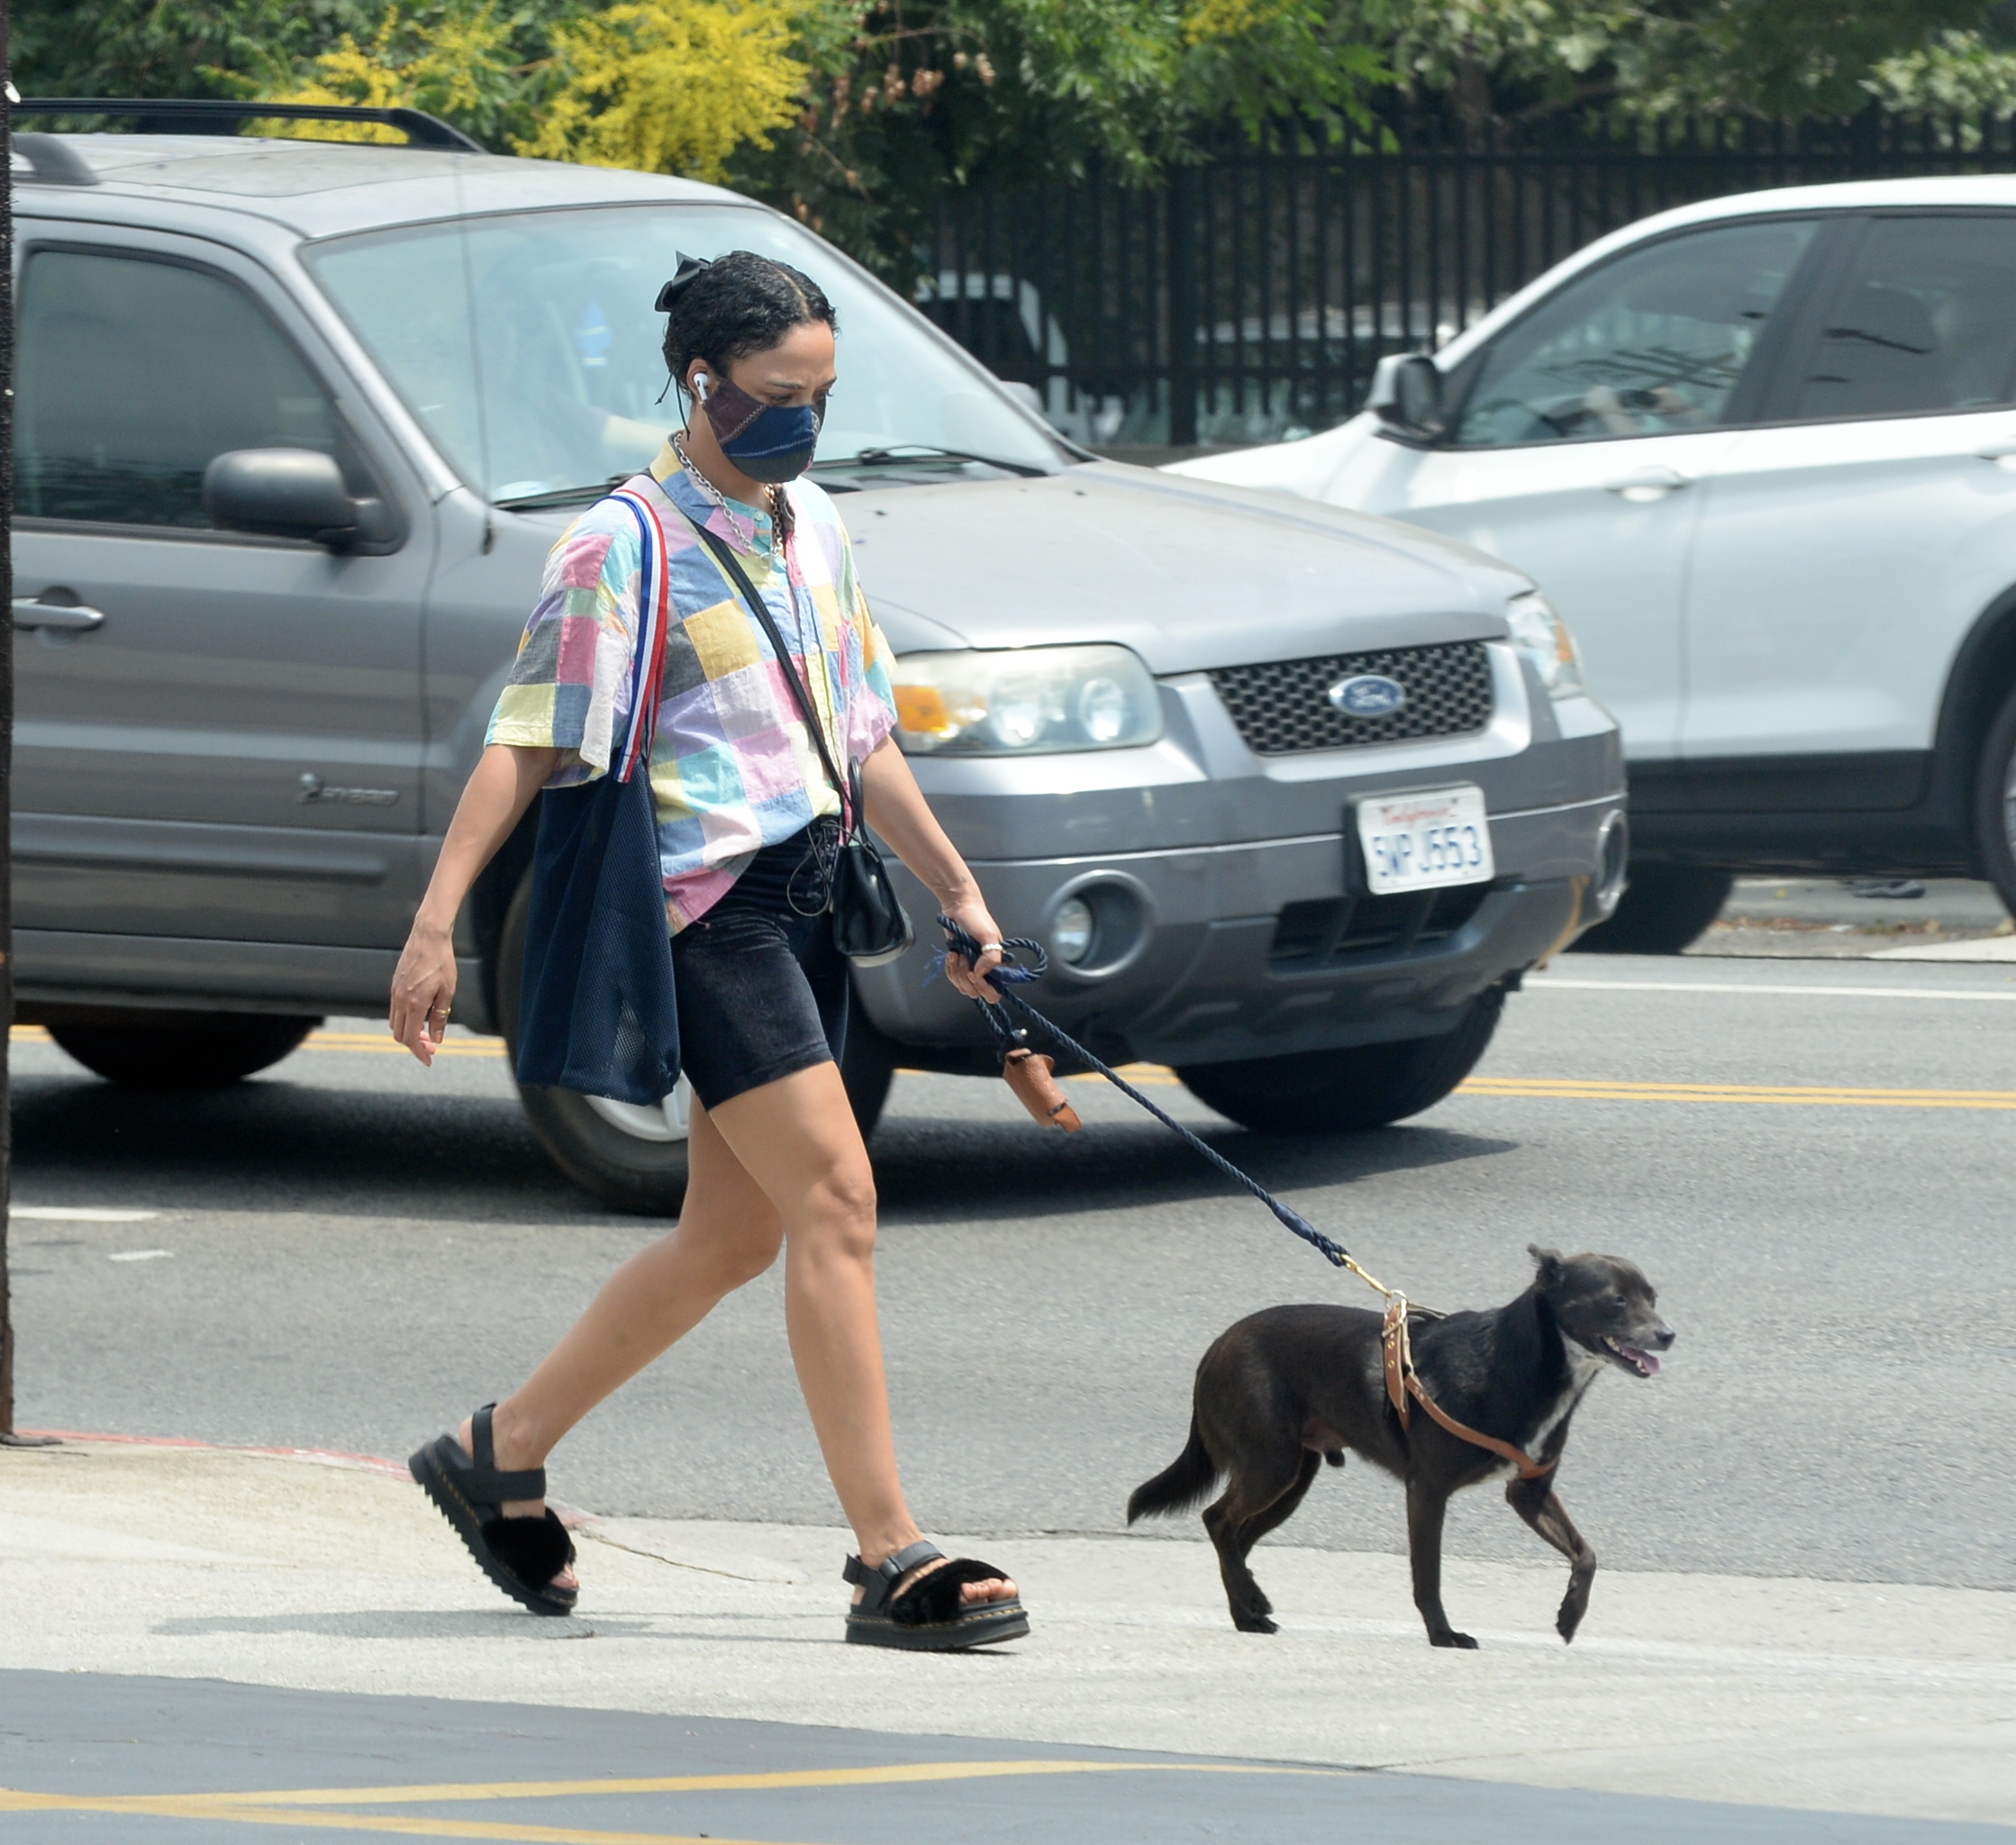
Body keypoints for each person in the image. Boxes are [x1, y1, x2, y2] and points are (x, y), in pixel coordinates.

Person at [388, 250, 1027, 1651]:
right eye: (776, 395)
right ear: (701, 381)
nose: (803, 419)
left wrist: (958, 890)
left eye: (822, 393)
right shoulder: (622, 545)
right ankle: (887, 1555)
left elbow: (857, 734)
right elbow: (529, 737)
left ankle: (498, 1452)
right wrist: (436, 926)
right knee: (838, 1203)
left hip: (805, 904)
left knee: (735, 1233)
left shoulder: (810, 530)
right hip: (701, 914)